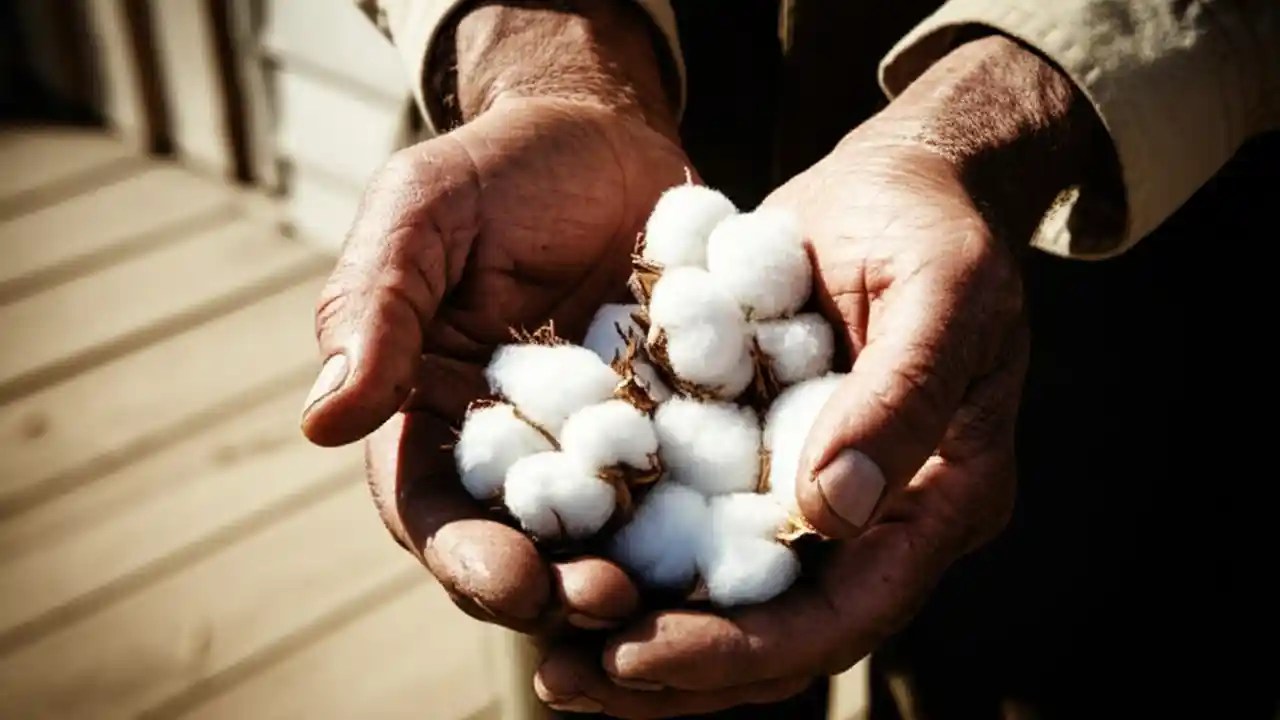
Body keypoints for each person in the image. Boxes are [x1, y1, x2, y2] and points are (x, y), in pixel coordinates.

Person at [299, 1, 1279, 717]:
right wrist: (538, 48)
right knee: (597, 646)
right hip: (532, 227)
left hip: (1106, 225)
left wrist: (1026, 89)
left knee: (1057, 652)